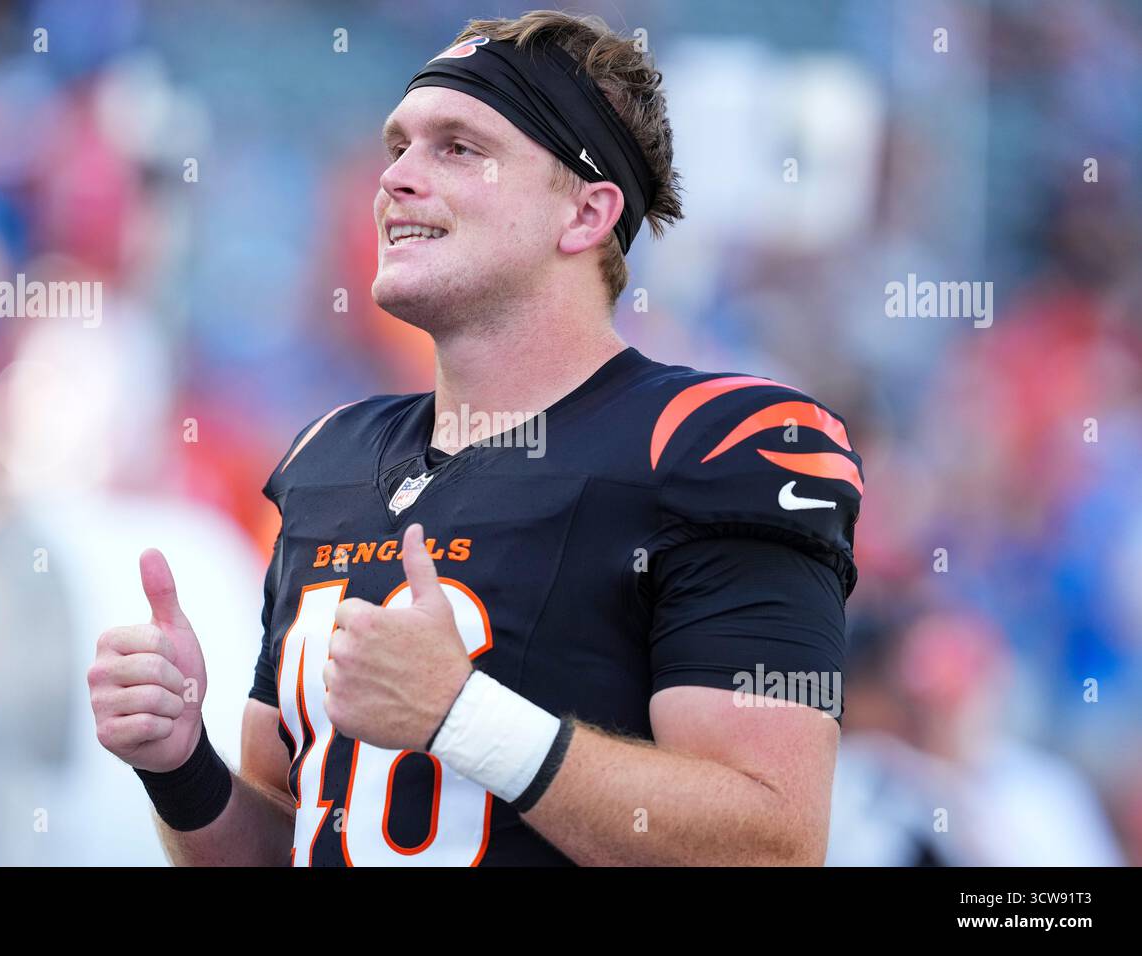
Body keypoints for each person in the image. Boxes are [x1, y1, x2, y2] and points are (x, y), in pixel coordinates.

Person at [87, 10, 863, 866]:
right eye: (398, 146)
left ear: (585, 211)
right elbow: (294, 841)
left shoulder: (714, 443)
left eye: (458, 147)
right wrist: (180, 765)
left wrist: (466, 717)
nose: (396, 180)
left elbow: (772, 845)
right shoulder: (329, 460)